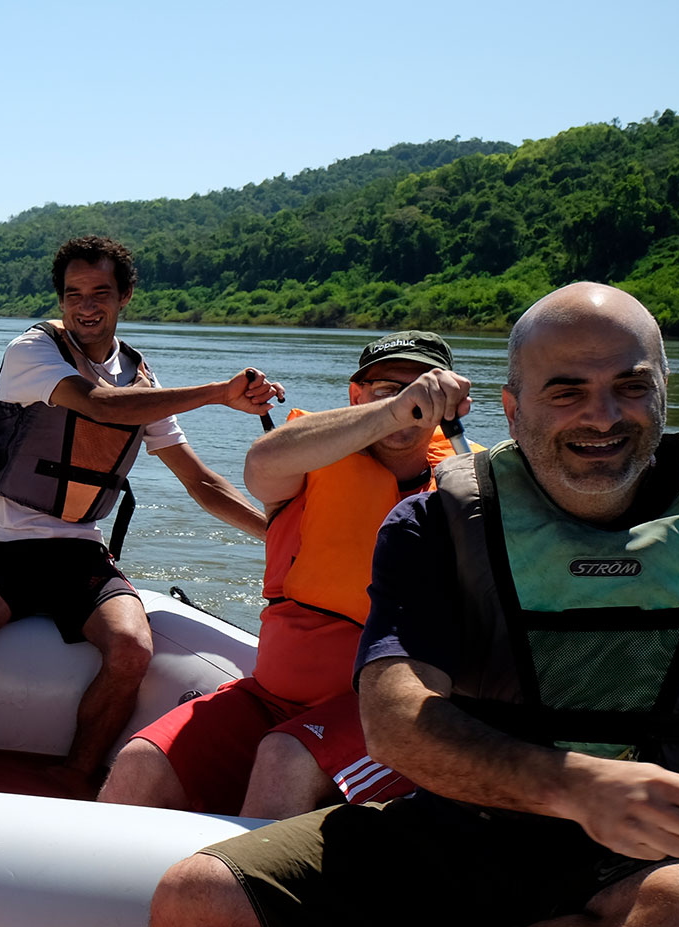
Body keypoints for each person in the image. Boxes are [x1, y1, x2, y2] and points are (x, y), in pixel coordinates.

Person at [9, 283, 679, 927]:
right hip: (466, 832)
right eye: (566, 390)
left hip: (653, 857)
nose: (602, 416)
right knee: (193, 897)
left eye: (630, 386)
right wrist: (574, 784)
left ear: (666, 390)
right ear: (512, 406)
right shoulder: (440, 520)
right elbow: (397, 719)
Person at [0, 235, 277, 797]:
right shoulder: (31, 351)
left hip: (78, 547)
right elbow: (97, 404)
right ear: (60, 300)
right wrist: (216, 393)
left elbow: (201, 482)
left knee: (132, 649)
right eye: (73, 294)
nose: (85, 306)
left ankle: (76, 777)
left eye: (100, 293)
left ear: (125, 296)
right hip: (0, 540)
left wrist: (277, 534)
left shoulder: (140, 380)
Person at [100, 332, 467, 817]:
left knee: (283, 758)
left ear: (448, 403)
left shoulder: (470, 488)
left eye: (422, 391)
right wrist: (395, 410)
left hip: (386, 714)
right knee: (141, 762)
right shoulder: (303, 459)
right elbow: (261, 463)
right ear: (356, 396)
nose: (409, 403)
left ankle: (235, 868)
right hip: (271, 697)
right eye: (386, 389)